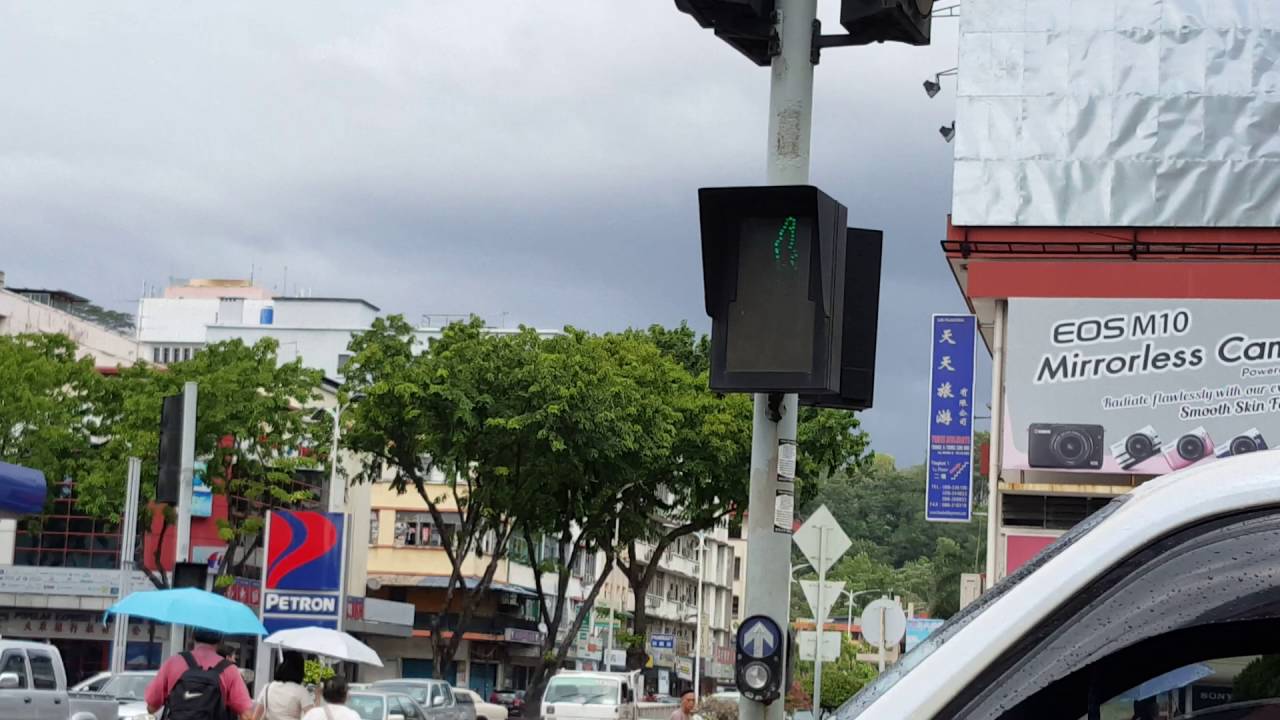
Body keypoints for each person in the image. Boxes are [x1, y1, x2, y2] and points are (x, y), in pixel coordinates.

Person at [145, 627, 254, 720]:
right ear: (220, 640)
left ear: (193, 636)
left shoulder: (173, 662)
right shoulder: (229, 670)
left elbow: (151, 707)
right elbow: (247, 715)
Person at [252, 651, 315, 720]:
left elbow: (255, 717)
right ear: (300, 670)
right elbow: (312, 715)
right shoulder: (300, 690)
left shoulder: (267, 687)